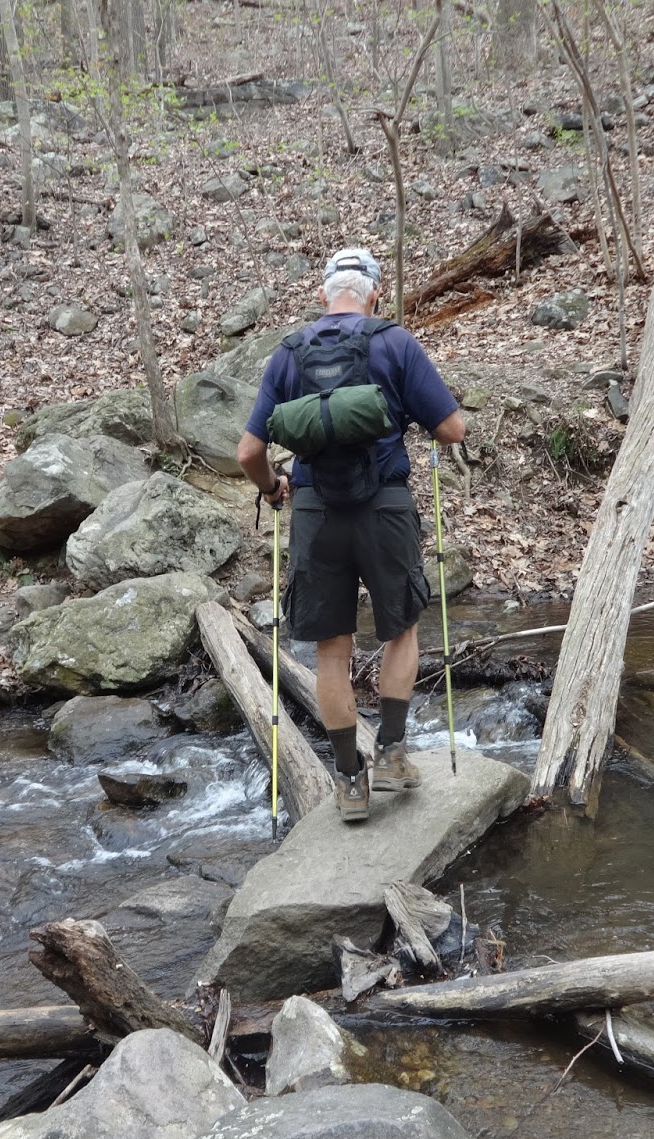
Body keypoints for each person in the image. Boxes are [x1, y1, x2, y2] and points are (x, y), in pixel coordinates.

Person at [237, 247, 466, 823]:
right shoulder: (394, 342)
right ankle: (390, 753)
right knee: (402, 629)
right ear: (373, 295)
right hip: (385, 507)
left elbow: (248, 452)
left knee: (331, 651)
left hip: (315, 512)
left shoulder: (289, 353)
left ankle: (348, 784)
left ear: (323, 296)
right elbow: (452, 428)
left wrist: (272, 489)